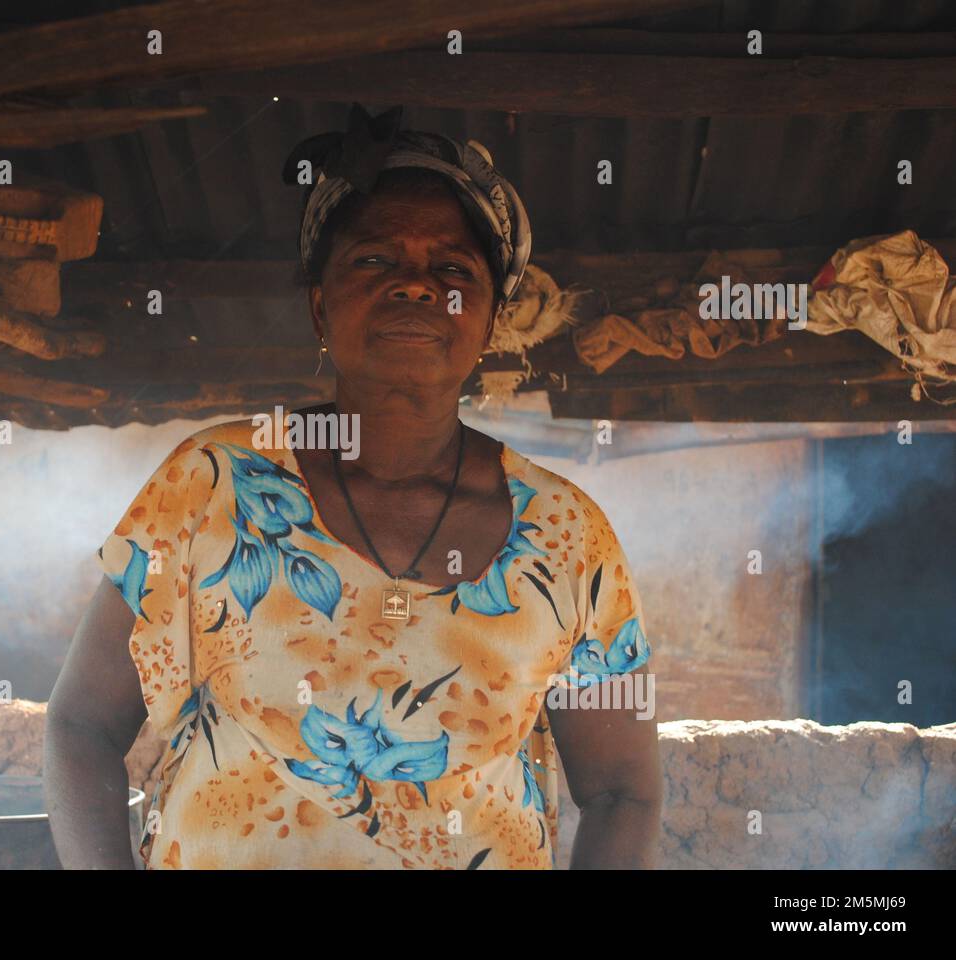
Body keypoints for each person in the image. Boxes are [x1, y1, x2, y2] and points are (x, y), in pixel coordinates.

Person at [45, 104, 662, 869]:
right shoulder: (211, 485)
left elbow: (624, 791)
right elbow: (81, 725)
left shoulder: (570, 538)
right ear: (319, 307)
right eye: (374, 260)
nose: (415, 285)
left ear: (493, 316)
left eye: (453, 269)